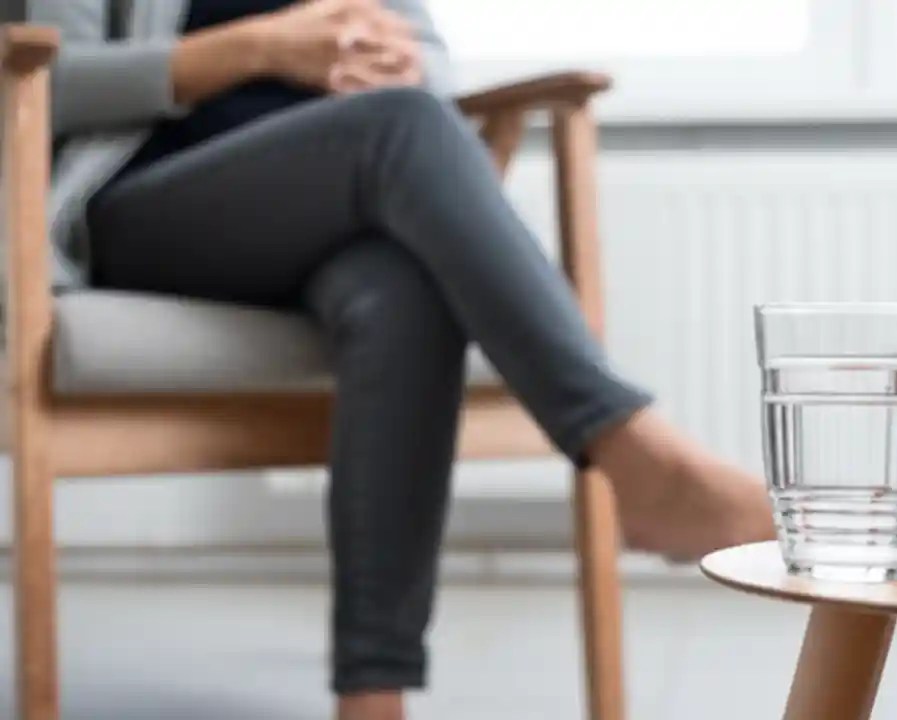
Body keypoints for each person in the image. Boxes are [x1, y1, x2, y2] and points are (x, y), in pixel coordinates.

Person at [36, 1, 774, 718]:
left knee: (403, 284)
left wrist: (401, 66)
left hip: (336, 207)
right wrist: (256, 47)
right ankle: (633, 452)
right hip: (145, 206)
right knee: (402, 129)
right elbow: (52, 79)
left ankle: (372, 694)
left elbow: (431, 67)